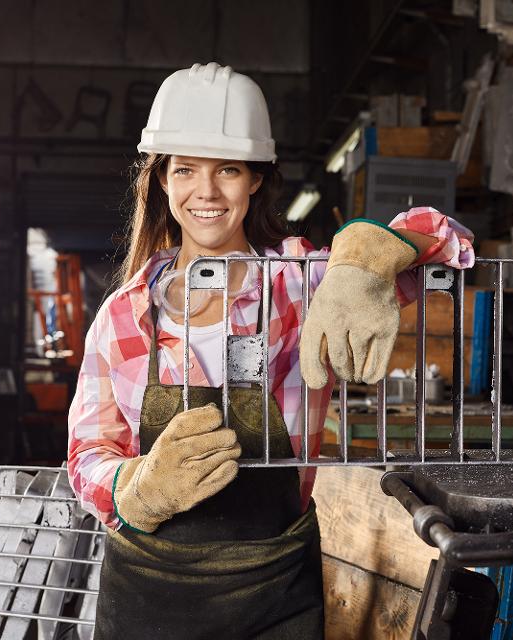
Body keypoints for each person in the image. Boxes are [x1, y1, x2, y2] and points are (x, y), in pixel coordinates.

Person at [66, 62, 475, 638]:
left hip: (273, 588)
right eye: (184, 170)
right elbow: (86, 454)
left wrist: (368, 254)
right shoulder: (123, 316)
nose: (205, 192)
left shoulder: (303, 286)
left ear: (256, 178)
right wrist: (136, 489)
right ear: (162, 180)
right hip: (148, 591)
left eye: (227, 170)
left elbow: (450, 241)